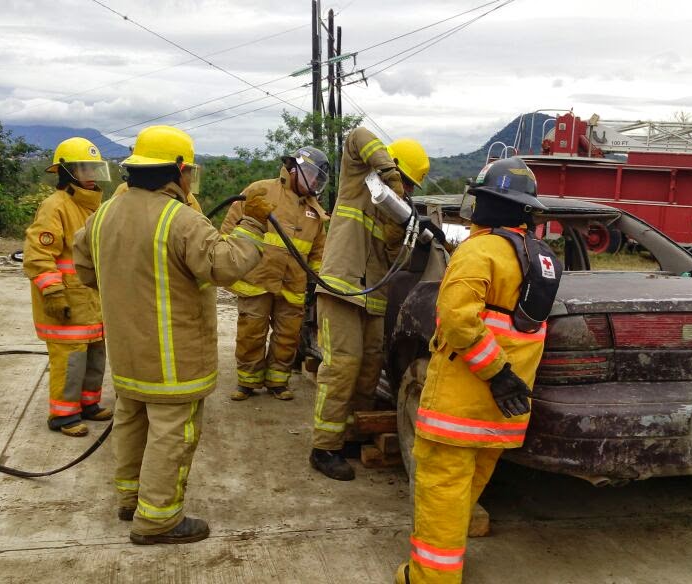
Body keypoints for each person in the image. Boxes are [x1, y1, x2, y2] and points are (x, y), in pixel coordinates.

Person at [73, 125, 274, 545]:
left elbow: (86, 267)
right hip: (173, 359)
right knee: (172, 434)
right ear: (179, 171)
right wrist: (253, 225)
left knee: (131, 421)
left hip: (128, 355)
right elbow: (225, 266)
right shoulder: (181, 219)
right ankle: (158, 519)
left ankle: (132, 501)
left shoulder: (105, 212)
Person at [395, 157, 562, 584]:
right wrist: (507, 378)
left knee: (441, 497)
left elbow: (456, 318)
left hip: (459, 407)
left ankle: (430, 579)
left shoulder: (481, 250)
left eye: (481, 197)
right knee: (463, 497)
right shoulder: (542, 258)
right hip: (500, 415)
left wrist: (496, 372)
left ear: (494, 203)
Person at [310, 128, 429, 481]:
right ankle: (323, 447)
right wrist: (388, 173)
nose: (405, 190)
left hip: (373, 300)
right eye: (404, 181)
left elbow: (398, 261)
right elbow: (358, 136)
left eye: (408, 185)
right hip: (341, 289)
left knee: (366, 373)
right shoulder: (357, 181)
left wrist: (397, 237)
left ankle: (349, 436)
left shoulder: (398, 212)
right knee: (342, 368)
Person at [220, 147, 329, 401]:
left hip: (292, 284)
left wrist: (320, 281)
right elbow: (229, 228)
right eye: (312, 175)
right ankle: (247, 382)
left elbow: (318, 251)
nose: (315, 183)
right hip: (256, 279)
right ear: (295, 169)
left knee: (287, 334)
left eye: (318, 178)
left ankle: (278, 382)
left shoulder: (315, 211)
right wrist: (228, 263)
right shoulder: (261, 190)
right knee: (251, 331)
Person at [23, 137, 112, 437]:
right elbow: (37, 255)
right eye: (83, 168)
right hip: (67, 303)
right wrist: (53, 292)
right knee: (71, 361)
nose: (90, 174)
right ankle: (62, 415)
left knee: (95, 356)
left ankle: (88, 405)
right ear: (67, 172)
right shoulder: (55, 206)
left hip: (92, 302)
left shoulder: (92, 208)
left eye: (93, 167)